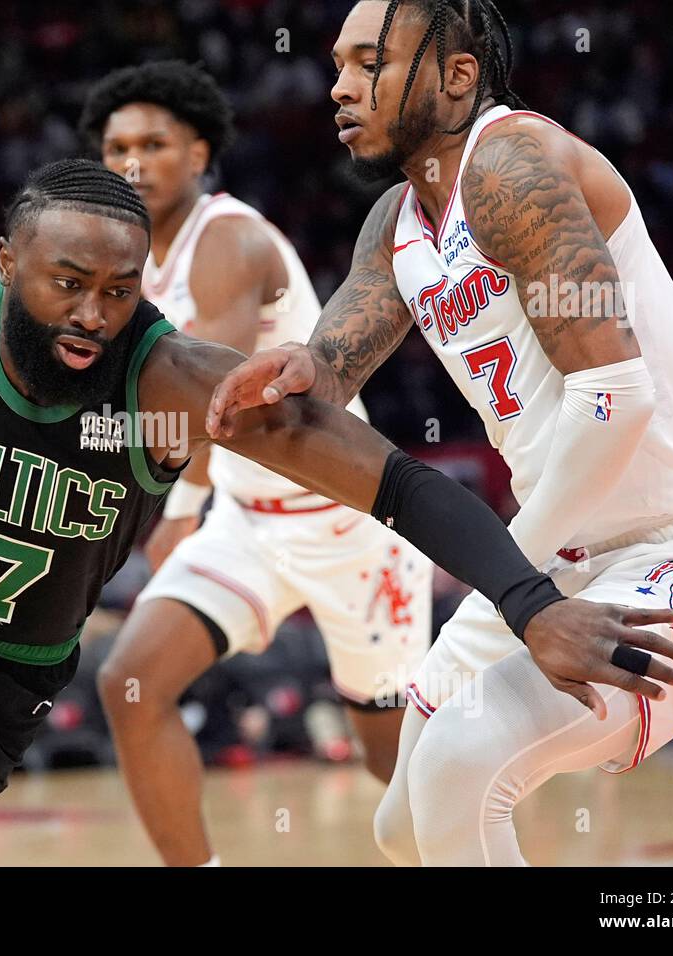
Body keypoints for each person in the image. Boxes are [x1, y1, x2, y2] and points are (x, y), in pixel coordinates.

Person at [0, 158, 673, 867]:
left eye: (118, 287)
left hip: (14, 674)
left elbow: (396, 481)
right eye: (66, 284)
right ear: (7, 265)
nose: (94, 313)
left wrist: (532, 602)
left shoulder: (172, 379)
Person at [207, 0, 673, 866]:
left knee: (460, 766)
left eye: (370, 63)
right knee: (400, 828)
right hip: (560, 561)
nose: (337, 87)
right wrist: (294, 367)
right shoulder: (396, 225)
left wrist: (507, 587)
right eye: (336, 64)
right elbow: (331, 365)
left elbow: (616, 398)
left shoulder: (512, 161)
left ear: (457, 75)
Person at [81, 61, 432, 867]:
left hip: (350, 523)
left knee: (393, 760)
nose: (132, 160)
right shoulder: (129, 265)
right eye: (117, 146)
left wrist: (165, 508)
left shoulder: (230, 239)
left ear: (199, 154)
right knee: (131, 683)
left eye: (154, 143)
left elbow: (216, 400)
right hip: (248, 523)